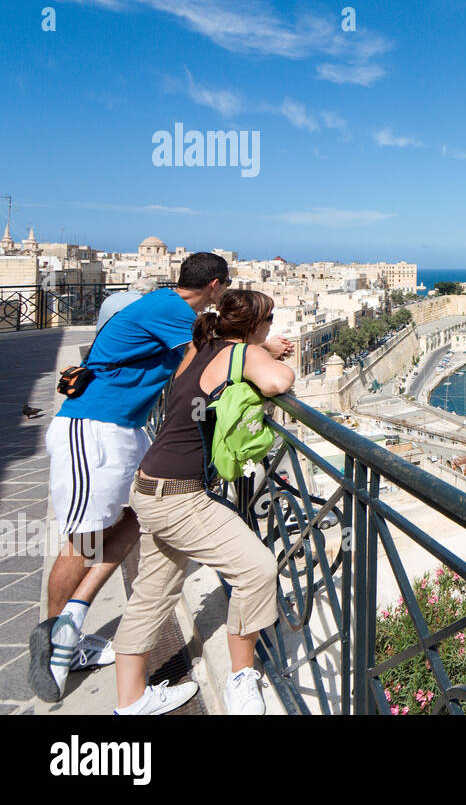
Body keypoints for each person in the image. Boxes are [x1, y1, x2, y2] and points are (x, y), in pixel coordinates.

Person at [28, 253, 291, 704]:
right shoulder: (173, 311)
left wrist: (258, 346)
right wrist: (264, 347)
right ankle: (55, 639)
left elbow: (212, 347)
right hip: (95, 427)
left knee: (137, 524)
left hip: (126, 431)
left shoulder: (174, 312)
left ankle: (78, 616)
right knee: (83, 540)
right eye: (225, 286)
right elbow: (223, 349)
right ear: (214, 285)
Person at [113, 289, 294, 715]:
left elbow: (233, 359)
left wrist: (259, 347)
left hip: (149, 484)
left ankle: (130, 700)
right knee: (257, 569)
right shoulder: (244, 355)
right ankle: (241, 678)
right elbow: (277, 381)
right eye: (268, 321)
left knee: (153, 592)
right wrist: (264, 355)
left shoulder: (200, 345)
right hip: (180, 495)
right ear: (256, 326)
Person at [95, 277, 159, 331]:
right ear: (151, 291)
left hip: (100, 340)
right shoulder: (142, 301)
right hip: (124, 340)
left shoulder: (111, 297)